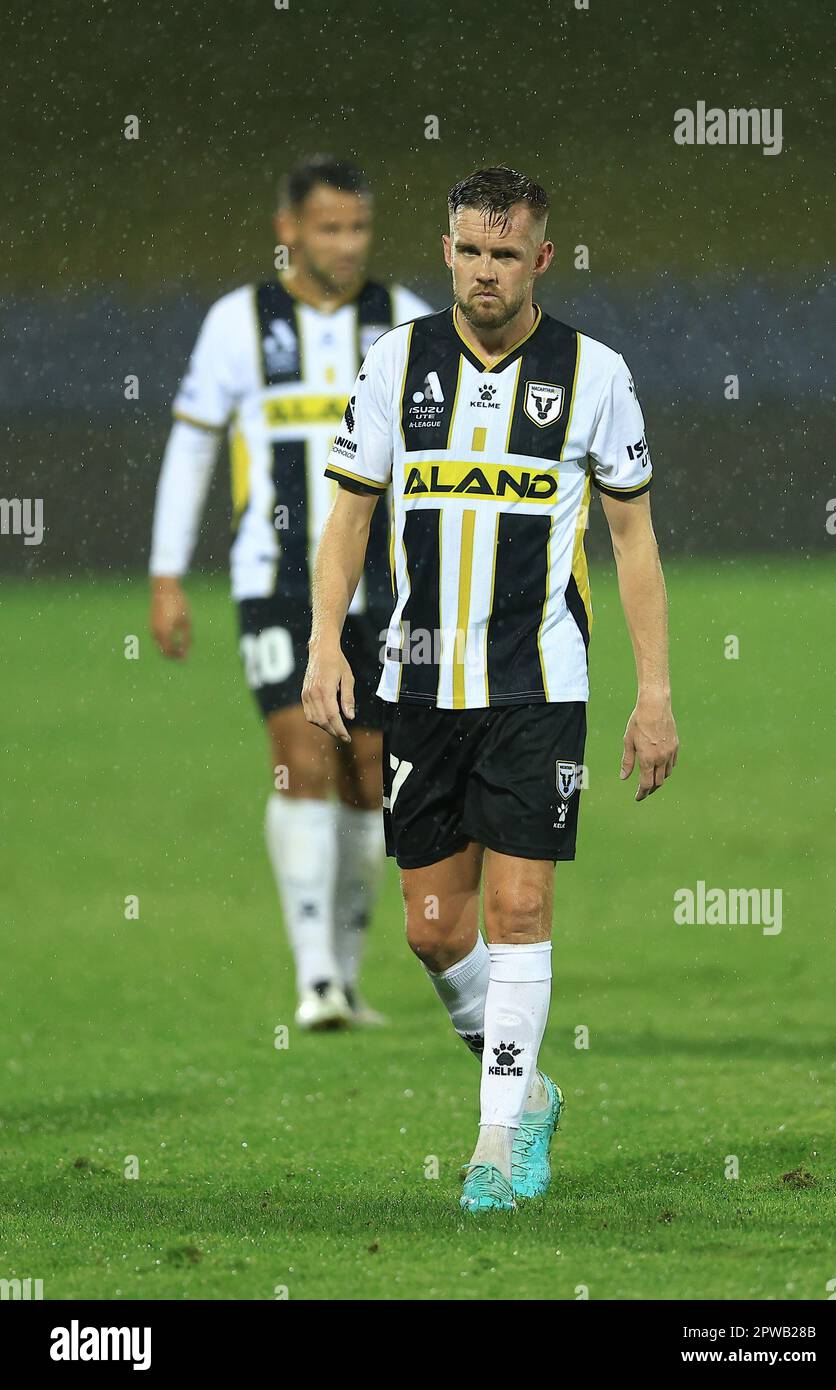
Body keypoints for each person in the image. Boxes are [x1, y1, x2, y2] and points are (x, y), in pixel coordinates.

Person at [302, 165, 679, 1208]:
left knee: (520, 908)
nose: (483, 270)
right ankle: (528, 1092)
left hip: (535, 684)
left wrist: (653, 692)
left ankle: (492, 1145)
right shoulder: (395, 362)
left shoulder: (594, 373)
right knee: (431, 926)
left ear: (540, 259)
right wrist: (325, 642)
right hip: (416, 684)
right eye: (468, 249)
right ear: (447, 250)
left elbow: (632, 540)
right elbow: (347, 519)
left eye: (504, 253)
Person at [149, 156, 432, 1030]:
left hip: (384, 588)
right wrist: (167, 573)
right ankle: (314, 981)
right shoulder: (237, 324)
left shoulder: (408, 322)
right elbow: (195, 446)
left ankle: (345, 977)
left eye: (358, 229)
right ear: (289, 229)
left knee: (368, 777)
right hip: (274, 579)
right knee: (301, 753)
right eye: (328, 228)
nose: (346, 245)